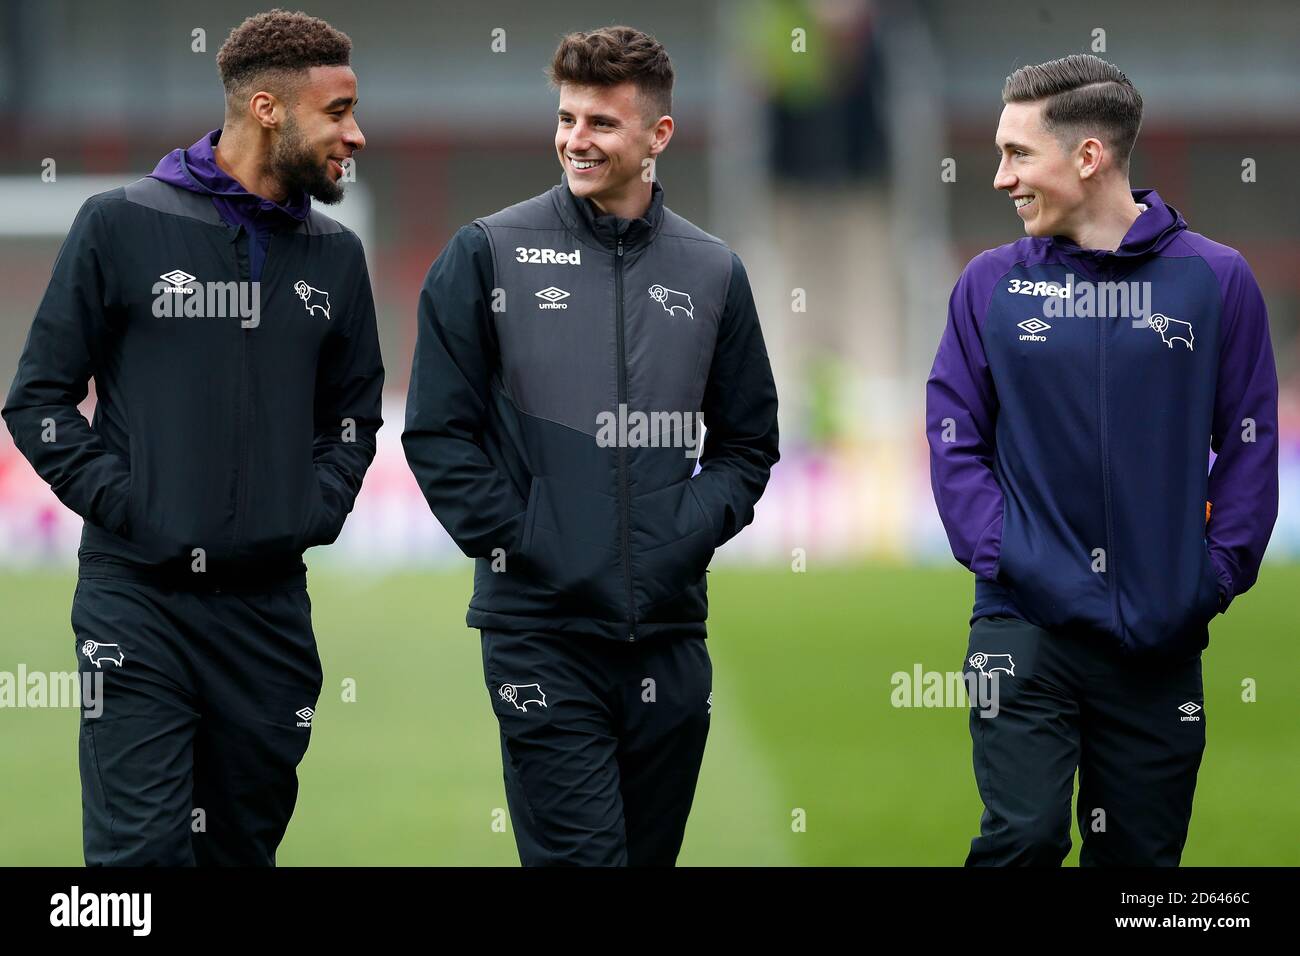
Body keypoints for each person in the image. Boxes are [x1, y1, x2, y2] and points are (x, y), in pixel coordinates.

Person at [2, 9, 383, 865]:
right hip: (137, 602)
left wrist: (308, 509)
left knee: (238, 851)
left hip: (270, 617)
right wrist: (135, 505)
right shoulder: (119, 224)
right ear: (266, 109)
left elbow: (353, 420)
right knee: (137, 859)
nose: (356, 135)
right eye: (339, 111)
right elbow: (39, 400)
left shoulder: (337, 258)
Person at [402, 25, 779, 866]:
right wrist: (533, 539)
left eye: (603, 123)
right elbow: (436, 433)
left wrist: (681, 532)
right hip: (540, 631)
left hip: (671, 640)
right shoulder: (486, 253)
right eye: (568, 118)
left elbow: (748, 444)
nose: (577, 138)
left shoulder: (715, 271)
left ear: (659, 135)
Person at [926, 54, 1278, 866]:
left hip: (1161, 638)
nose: (1000, 177)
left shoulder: (1215, 280)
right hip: (1018, 627)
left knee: (1143, 864)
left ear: (1088, 157)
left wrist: (1211, 580)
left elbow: (1251, 448)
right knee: (1022, 836)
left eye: (1019, 154)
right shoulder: (988, 285)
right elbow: (954, 440)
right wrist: (1011, 557)